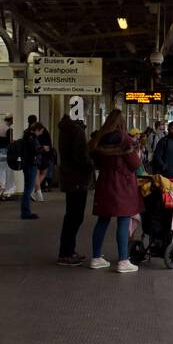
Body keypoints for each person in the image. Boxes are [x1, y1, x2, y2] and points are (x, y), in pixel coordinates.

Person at [87, 109, 142, 273]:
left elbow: (95, 161)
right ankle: (123, 260)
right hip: (122, 185)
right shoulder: (125, 140)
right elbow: (135, 164)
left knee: (102, 221)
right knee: (124, 221)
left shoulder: (98, 139)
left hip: (104, 183)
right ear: (121, 122)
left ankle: (96, 258)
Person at [56, 110, 92, 266]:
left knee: (71, 216)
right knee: (75, 217)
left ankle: (68, 250)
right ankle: (66, 253)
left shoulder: (65, 129)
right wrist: (90, 165)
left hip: (70, 178)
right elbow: (80, 156)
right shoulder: (76, 131)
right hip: (77, 179)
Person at [19, 121, 44, 219]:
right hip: (31, 164)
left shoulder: (27, 135)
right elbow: (35, 150)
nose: (41, 133)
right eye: (41, 131)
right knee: (28, 189)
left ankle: (25, 211)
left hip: (27, 164)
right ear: (37, 130)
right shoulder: (32, 138)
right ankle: (26, 212)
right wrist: (42, 149)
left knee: (27, 188)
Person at [0, 115, 15, 197]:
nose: (13, 122)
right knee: (8, 171)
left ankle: (1, 187)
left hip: (1, 150)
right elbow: (9, 142)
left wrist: (1, 142)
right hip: (7, 151)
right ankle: (6, 190)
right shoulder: (9, 129)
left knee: (1, 170)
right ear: (10, 120)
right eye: (12, 120)